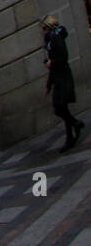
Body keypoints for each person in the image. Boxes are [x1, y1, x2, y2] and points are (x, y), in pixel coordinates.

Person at [42, 14, 83, 154]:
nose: (43, 30)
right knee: (60, 108)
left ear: (49, 26)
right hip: (58, 77)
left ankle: (71, 133)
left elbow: (63, 57)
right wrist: (48, 85)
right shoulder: (50, 40)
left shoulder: (55, 38)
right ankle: (74, 126)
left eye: (44, 27)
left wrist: (52, 62)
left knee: (60, 107)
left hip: (63, 77)